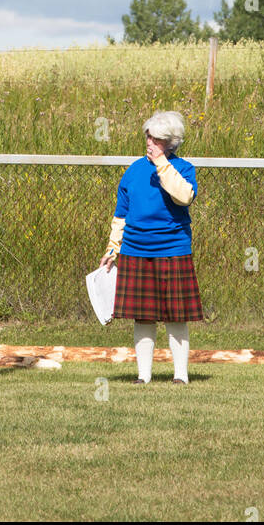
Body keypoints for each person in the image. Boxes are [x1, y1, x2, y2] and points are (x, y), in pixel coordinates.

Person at [99, 110, 201, 385]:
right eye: (148, 136)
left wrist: (161, 164)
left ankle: (181, 375)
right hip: (135, 251)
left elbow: (184, 197)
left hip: (174, 250)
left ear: (171, 142)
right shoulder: (133, 171)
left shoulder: (183, 169)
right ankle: (143, 376)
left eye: (157, 138)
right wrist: (112, 250)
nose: (150, 142)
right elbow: (121, 215)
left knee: (176, 317)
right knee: (142, 317)